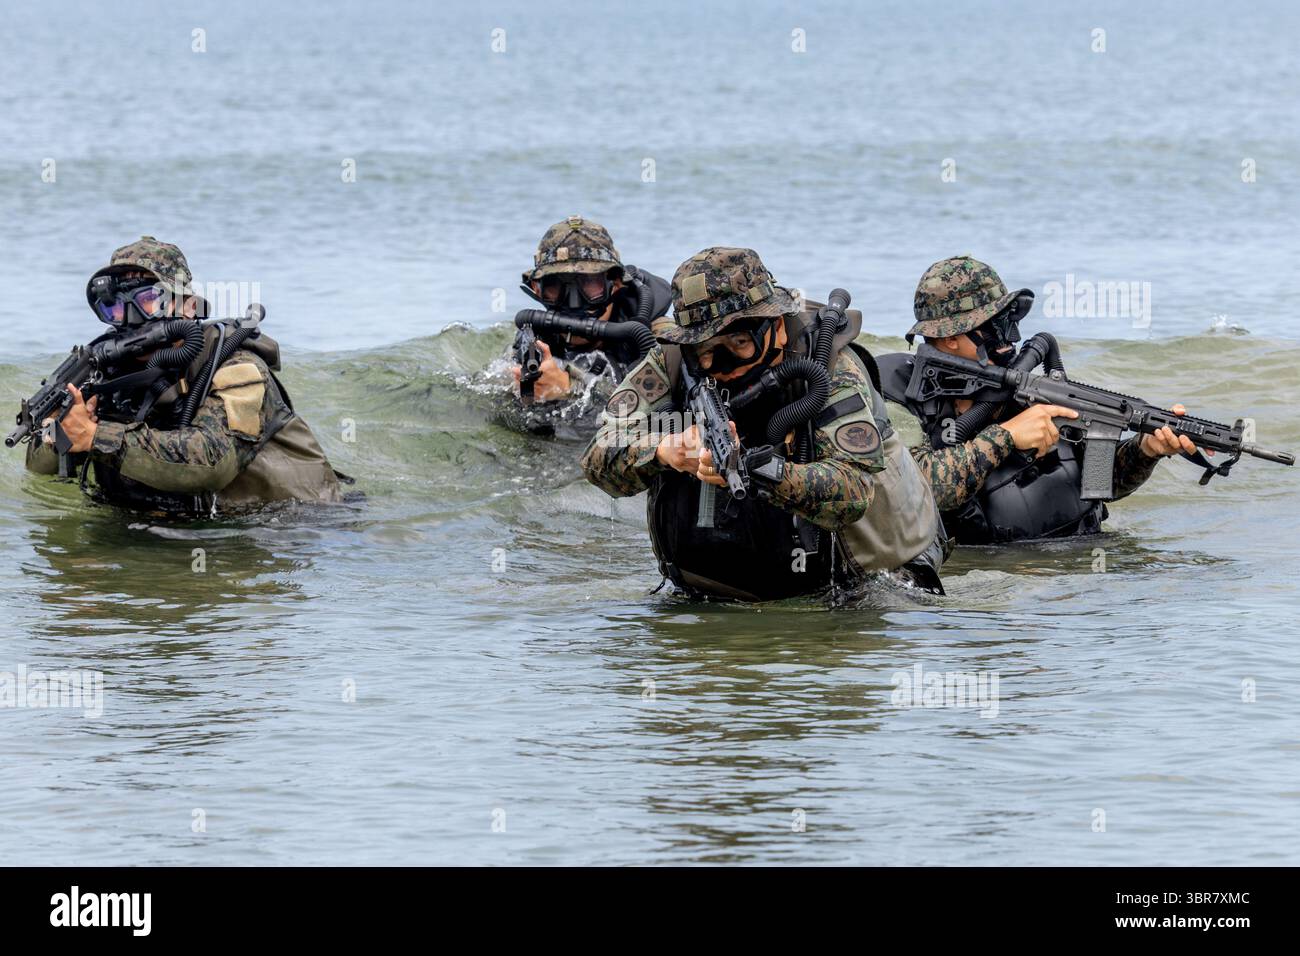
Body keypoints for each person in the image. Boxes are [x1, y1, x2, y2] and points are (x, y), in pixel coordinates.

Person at [581, 247, 946, 601]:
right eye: (704, 349)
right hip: (709, 592)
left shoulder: (829, 369)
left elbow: (853, 492)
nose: (720, 363)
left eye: (739, 343)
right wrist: (665, 451)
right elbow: (598, 455)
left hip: (851, 586)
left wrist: (763, 472)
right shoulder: (673, 364)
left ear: (776, 328)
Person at [880, 255, 1199, 544]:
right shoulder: (898, 395)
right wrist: (1007, 436)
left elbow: (1099, 484)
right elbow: (916, 487)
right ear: (950, 338)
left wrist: (1145, 450)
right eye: (996, 327)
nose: (1010, 340)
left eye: (1010, 322)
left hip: (1079, 566)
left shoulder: (1020, 386)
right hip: (993, 587)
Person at [23, 237, 345, 515]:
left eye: (150, 300)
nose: (132, 318)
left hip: (294, 528)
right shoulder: (109, 370)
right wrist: (61, 431)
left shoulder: (237, 368)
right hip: (169, 533)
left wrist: (96, 436)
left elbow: (211, 463)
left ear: (189, 306)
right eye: (117, 308)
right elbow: (39, 468)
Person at [501, 216, 670, 437]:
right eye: (555, 286)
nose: (573, 303)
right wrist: (517, 392)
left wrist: (570, 389)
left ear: (615, 284)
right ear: (537, 289)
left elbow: (661, 417)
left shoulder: (657, 339)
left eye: (590, 285)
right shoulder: (535, 342)